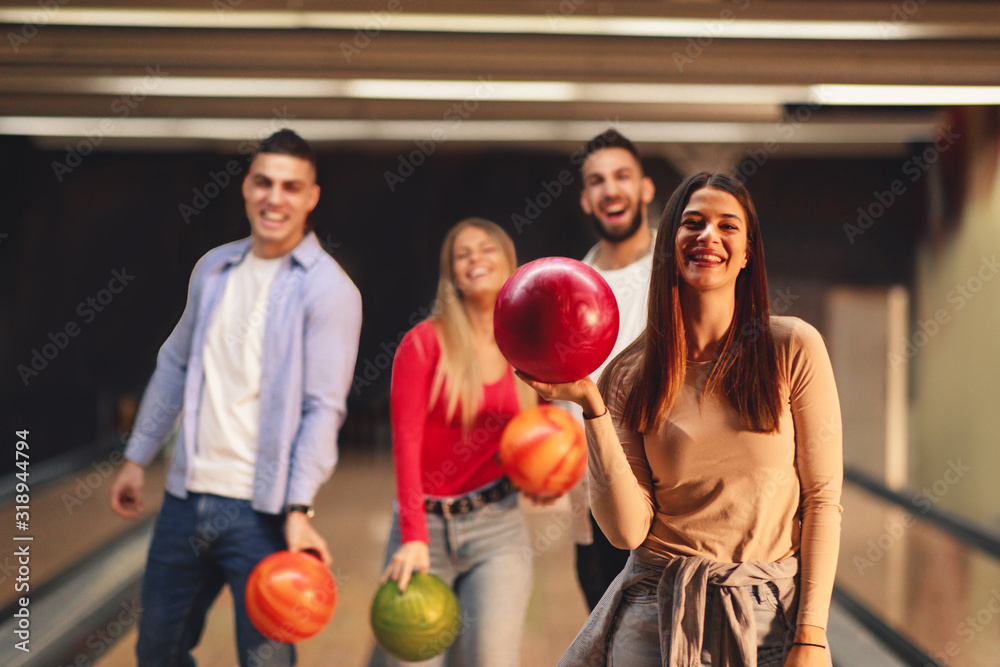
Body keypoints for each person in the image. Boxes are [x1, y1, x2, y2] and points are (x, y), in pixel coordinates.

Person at [521, 172, 842, 666]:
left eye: (726, 226)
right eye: (692, 223)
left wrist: (812, 635)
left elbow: (822, 499)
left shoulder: (793, 348)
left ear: (748, 250)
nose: (708, 236)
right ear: (670, 245)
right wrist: (592, 407)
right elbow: (628, 532)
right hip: (657, 608)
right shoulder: (629, 373)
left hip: (768, 615)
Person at [109, 129, 363, 667]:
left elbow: (324, 408)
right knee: (157, 650)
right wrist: (137, 456)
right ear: (246, 187)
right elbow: (174, 364)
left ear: (311, 196)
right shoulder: (214, 270)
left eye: (291, 187)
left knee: (266, 660)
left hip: (262, 514)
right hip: (185, 499)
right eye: (264, 182)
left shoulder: (329, 290)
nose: (276, 198)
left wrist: (298, 508)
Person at [371, 218, 542, 667]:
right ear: (452, 274)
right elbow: (405, 445)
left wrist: (546, 482)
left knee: (489, 659)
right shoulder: (423, 344)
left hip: (498, 528)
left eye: (486, 249)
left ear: (509, 261)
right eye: (462, 254)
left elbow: (541, 440)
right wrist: (412, 537)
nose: (475, 260)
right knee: (412, 659)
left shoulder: (528, 347)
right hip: (423, 530)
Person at [568, 128, 659, 611]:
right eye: (597, 181)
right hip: (595, 506)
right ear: (586, 200)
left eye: (622, 176)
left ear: (645, 188)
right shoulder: (571, 286)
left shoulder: (678, 270)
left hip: (669, 500)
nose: (610, 189)